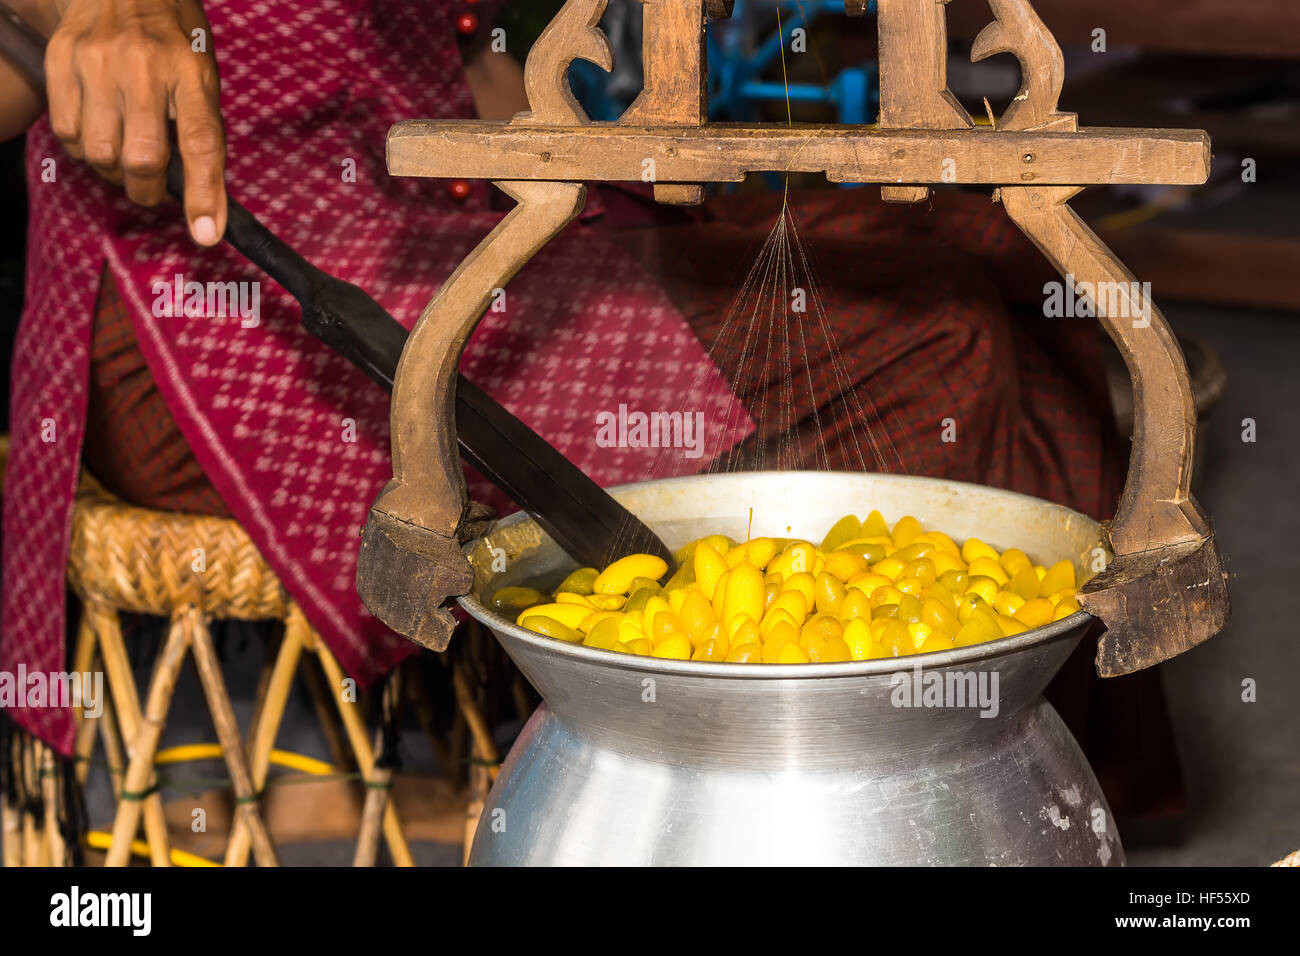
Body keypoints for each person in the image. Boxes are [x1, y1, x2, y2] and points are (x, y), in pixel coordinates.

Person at [1, 0, 1178, 834]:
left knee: (981, 235)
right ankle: (904, 799)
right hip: (221, 298)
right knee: (942, 331)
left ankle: (1050, 794)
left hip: (432, 202)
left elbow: (465, 74)